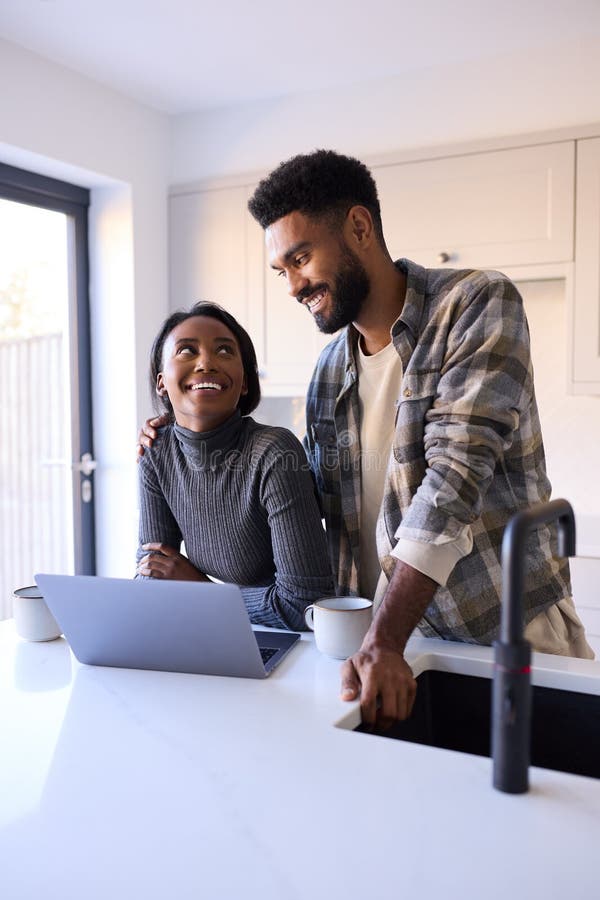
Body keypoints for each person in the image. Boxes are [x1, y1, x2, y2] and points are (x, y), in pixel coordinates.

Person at [140, 151, 594, 726]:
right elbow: (318, 515)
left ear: (359, 227)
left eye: (300, 258)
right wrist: (182, 433)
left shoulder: (474, 304)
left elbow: (451, 483)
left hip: (500, 637)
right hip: (387, 654)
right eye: (282, 270)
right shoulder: (330, 370)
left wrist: (381, 637)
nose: (293, 285)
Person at [136, 300, 335, 631]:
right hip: (219, 627)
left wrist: (201, 591)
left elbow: (305, 604)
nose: (206, 363)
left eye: (225, 351)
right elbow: (152, 572)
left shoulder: (273, 453)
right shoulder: (156, 452)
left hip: (295, 642)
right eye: (186, 351)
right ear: (161, 382)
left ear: (243, 383)